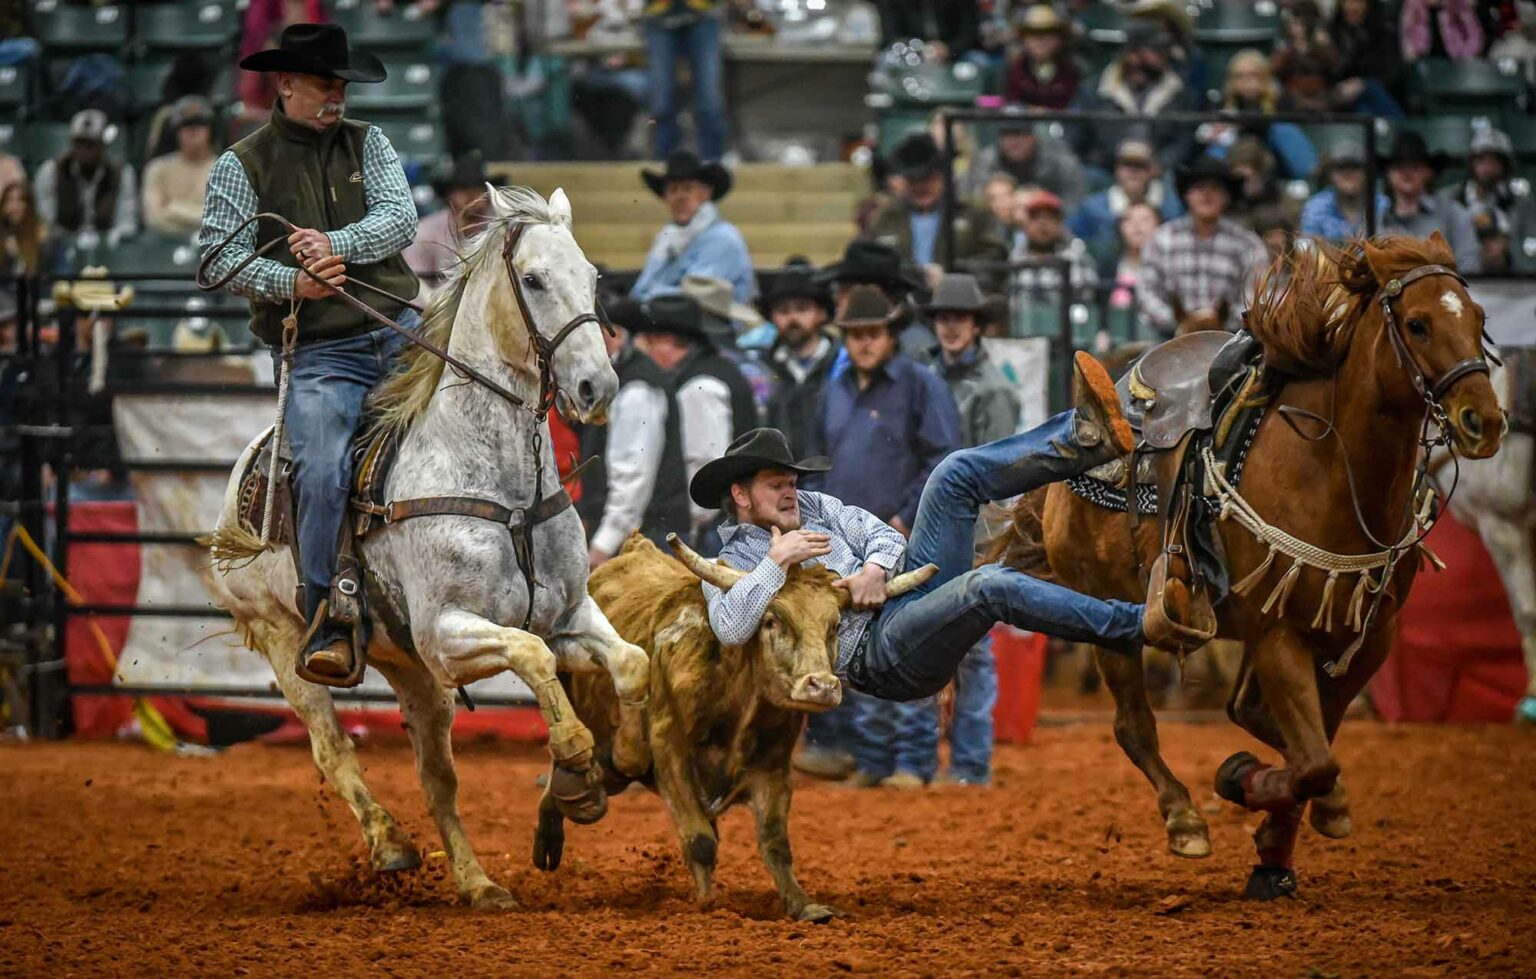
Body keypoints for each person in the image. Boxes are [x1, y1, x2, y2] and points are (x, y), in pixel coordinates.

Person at [693, 350, 1176, 797]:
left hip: (907, 603)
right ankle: (1136, 623)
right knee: (988, 586)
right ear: (741, 496)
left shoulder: (818, 507)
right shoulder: (729, 562)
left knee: (953, 472)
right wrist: (777, 563)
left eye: (792, 483)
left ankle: (1085, 439)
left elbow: (886, 538)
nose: (791, 493)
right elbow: (730, 627)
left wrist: (875, 570)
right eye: (777, 485)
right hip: (877, 658)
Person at [198, 24, 422, 684]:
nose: (336, 97)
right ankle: (325, 608)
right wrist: (288, 281)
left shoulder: (368, 142)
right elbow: (217, 259)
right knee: (320, 469)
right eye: (325, 84)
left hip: (400, 328)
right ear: (286, 83)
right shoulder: (244, 163)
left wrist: (336, 244)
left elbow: (401, 219)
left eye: (341, 85)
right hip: (323, 351)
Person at [816, 286, 961, 788]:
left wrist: (902, 518)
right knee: (856, 653)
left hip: (904, 538)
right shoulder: (832, 389)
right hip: (846, 545)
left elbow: (944, 460)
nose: (864, 343)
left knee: (903, 647)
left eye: (873, 333)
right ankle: (874, 762)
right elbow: (818, 465)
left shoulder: (920, 385)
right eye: (855, 335)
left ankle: (913, 764)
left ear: (891, 335)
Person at [921, 273, 1018, 786]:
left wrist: (982, 547)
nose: (951, 327)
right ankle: (949, 761)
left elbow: (997, 476)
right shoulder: (926, 375)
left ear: (977, 324)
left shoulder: (993, 389)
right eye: (943, 318)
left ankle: (970, 764)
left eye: (959, 318)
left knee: (973, 652)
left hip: (974, 533)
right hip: (933, 528)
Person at [587, 294, 756, 567]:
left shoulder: (698, 386)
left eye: (648, 340)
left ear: (665, 342)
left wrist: (691, 529)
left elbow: (701, 463)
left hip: (708, 529)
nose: (643, 349)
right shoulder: (713, 373)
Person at [1138, 156, 1268, 336]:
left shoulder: (1247, 244)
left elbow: (1257, 296)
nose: (1207, 195)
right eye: (1199, 188)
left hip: (1230, 339)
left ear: (1227, 196)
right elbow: (1147, 293)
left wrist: (1223, 325)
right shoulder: (1161, 239)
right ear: (1187, 195)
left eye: (1215, 188)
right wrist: (1179, 324)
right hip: (1170, 340)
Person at [865, 132, 1006, 290]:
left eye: (927, 179)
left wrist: (951, 276)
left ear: (942, 176)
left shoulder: (974, 213)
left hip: (960, 302)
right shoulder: (886, 217)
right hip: (903, 301)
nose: (920, 186)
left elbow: (995, 260)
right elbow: (870, 260)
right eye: (913, 180)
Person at [1068, 21, 1198, 177]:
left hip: (1158, 171)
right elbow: (1076, 137)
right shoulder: (1094, 90)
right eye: (1155, 52)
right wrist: (1115, 165)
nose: (1163, 57)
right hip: (1105, 169)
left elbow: (1184, 140)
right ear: (1132, 54)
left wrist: (1162, 164)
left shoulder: (1179, 92)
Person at [631, 150, 754, 305]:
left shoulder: (724, 238)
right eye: (673, 190)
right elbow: (639, 291)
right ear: (665, 197)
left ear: (706, 193)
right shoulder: (666, 240)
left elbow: (693, 297)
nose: (680, 197)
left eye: (687, 189)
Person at [763, 261, 838, 460]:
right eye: (783, 310)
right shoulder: (764, 368)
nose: (793, 318)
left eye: (802, 309)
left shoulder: (842, 364)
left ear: (821, 313)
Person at [1376, 131, 1481, 273]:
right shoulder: (1375, 217)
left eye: (1415, 166)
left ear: (1429, 172)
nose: (1407, 172)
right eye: (1399, 165)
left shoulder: (1453, 214)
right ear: (1388, 173)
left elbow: (1469, 268)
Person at [34, 110, 137, 246]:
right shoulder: (50, 171)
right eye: (79, 143)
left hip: (108, 245)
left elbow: (127, 223)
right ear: (71, 143)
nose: (84, 150)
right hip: (62, 245)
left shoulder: (122, 173)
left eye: (91, 144)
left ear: (103, 145)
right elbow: (45, 222)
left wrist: (110, 240)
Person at [1209, 49, 1317, 180]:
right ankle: (1213, 181)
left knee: (1284, 129)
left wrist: (1240, 122)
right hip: (1236, 152)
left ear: (1265, 77)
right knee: (1221, 134)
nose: (1247, 82)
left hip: (1272, 155)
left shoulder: (1281, 98)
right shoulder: (1223, 102)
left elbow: (1264, 124)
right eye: (1240, 76)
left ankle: (1311, 177)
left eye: (1254, 75)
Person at [641, 0, 727, 160]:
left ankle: (713, 167)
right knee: (661, 101)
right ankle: (667, 168)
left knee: (709, 100)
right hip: (659, 16)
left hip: (703, 15)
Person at [1068, 138, 1181, 253]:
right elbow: (1072, 239)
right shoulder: (1092, 208)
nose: (1133, 171)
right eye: (1127, 164)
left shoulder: (1171, 207)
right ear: (1117, 169)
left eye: (1140, 165)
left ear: (1153, 170)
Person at [1009, 189, 1099, 333]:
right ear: (1026, 223)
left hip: (1066, 335)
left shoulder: (1077, 256)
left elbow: (1084, 301)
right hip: (1021, 334)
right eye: (1036, 217)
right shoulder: (1014, 257)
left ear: (1060, 223)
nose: (1042, 224)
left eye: (1050, 218)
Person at [961, 113, 1087, 211]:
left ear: (1034, 136)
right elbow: (970, 201)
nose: (1014, 142)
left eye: (1021, 134)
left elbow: (1076, 204)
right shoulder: (986, 161)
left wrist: (1042, 203)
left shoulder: (1059, 160)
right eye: (1008, 135)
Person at [405, 154, 495, 289]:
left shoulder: (500, 232)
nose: (472, 197)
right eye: (463, 190)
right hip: (435, 305)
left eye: (478, 190)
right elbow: (415, 287)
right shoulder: (425, 233)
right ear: (449, 195)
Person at [1453, 127, 1536, 260]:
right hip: (1462, 271)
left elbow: (1533, 244)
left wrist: (1510, 247)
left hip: (1511, 275)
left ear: (1505, 166)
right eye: (1481, 160)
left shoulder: (1523, 202)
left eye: (1494, 161)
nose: (1487, 168)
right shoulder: (1452, 198)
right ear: (1472, 163)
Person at [142, 96, 219, 237]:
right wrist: (199, 218)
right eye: (186, 125)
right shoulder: (157, 169)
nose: (193, 131)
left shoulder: (226, 169)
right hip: (165, 249)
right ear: (175, 131)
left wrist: (174, 209)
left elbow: (223, 221)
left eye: (200, 124)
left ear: (211, 130)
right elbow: (154, 219)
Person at [1329, 0, 1405, 117]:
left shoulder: (1383, 32)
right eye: (1346, 2)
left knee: (1367, 105)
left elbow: (1391, 72)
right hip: (1341, 95)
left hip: (1376, 92)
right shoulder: (1335, 33)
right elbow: (1333, 72)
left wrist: (1363, 85)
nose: (1351, 7)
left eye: (1357, 2)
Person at [1299, 144, 1385, 241]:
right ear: (1330, 174)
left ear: (1367, 173)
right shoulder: (1315, 207)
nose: (1348, 174)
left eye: (1355, 167)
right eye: (1340, 168)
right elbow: (1309, 249)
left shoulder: (1383, 205)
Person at [1004, 4, 1081, 110]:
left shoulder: (1073, 72)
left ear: (1059, 39)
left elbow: (1077, 112)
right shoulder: (1015, 70)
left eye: (1048, 33)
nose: (1040, 39)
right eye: (1032, 33)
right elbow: (1009, 107)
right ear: (1024, 40)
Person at [1400, 0, 1485, 61]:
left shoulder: (1456, 3)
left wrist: (1468, 55)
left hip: (1455, 59)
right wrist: (1411, 54)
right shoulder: (1413, 3)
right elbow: (1406, 31)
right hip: (1423, 58)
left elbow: (1474, 32)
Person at [1, 181, 48, 277]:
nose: (14, 207)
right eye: (9, 200)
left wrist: (16, 255)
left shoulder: (42, 238)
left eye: (20, 201)